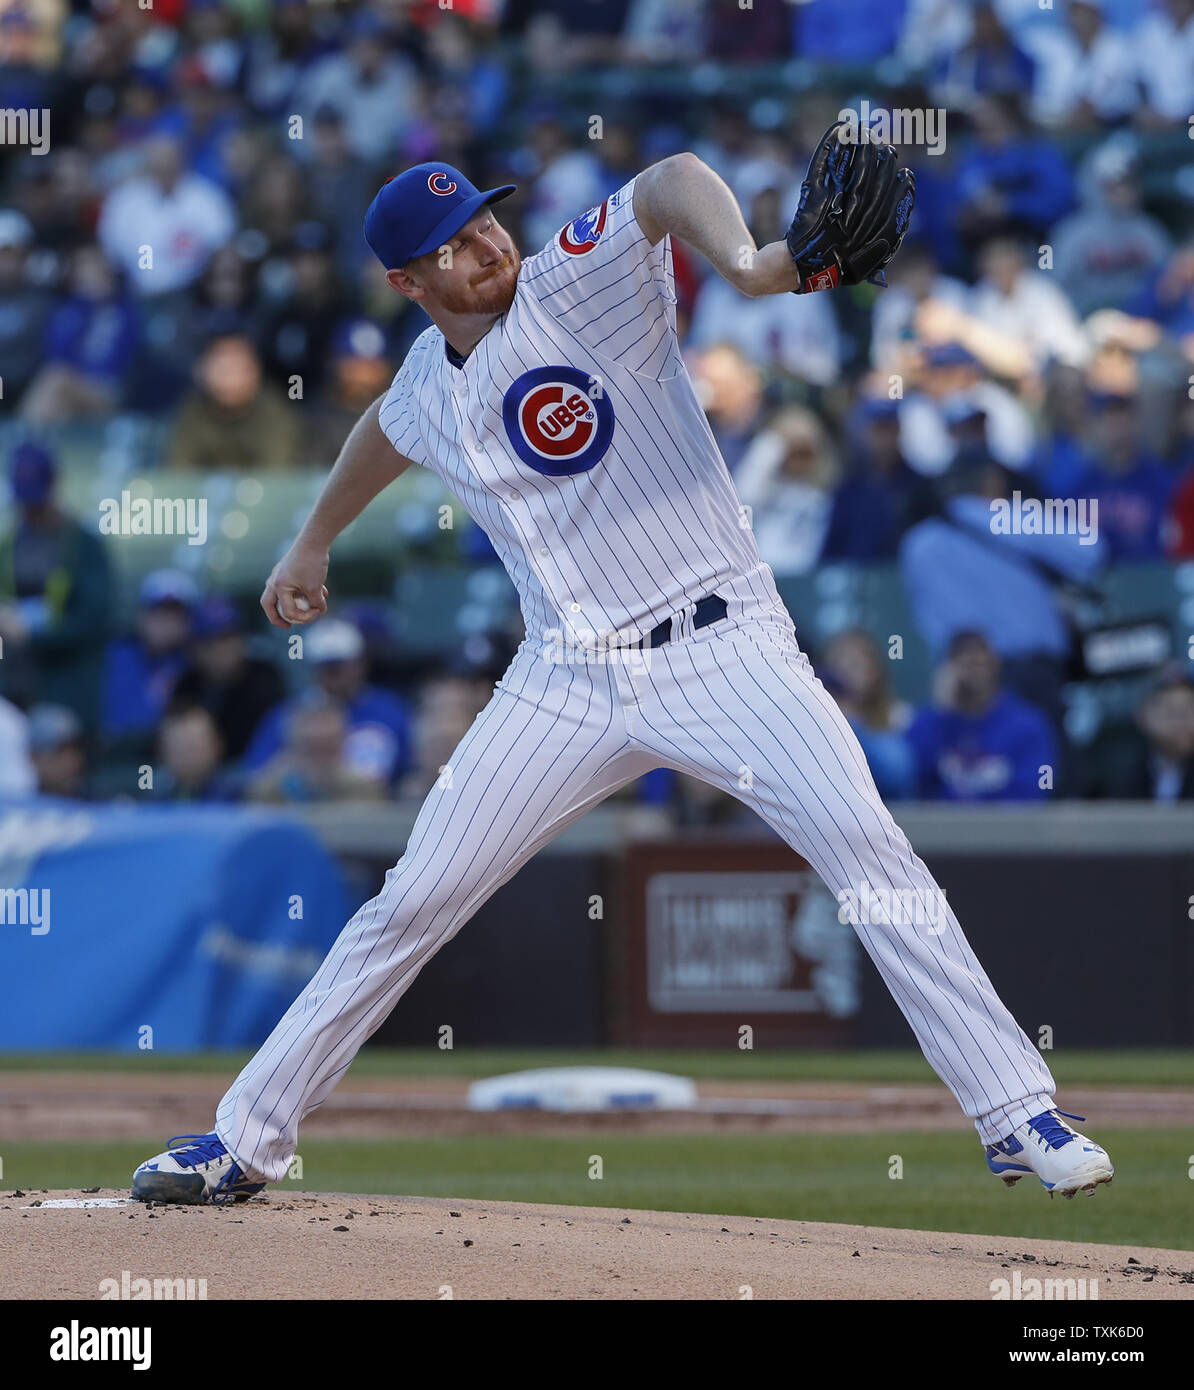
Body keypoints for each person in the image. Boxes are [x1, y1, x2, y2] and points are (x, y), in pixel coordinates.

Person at [132, 146, 1112, 1207]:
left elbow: (671, 180)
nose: (484, 245)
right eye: (450, 246)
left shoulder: (570, 281)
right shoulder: (424, 381)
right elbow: (386, 425)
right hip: (563, 676)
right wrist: (313, 538)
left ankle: (1018, 1112)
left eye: (482, 220)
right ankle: (244, 1140)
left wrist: (749, 262)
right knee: (411, 900)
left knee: (872, 855)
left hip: (722, 645)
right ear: (407, 285)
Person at [0, 443, 112, 727]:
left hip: (68, 681)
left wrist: (31, 633)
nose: (31, 509)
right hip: (14, 680)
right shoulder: (10, 543)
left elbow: (93, 621)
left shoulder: (83, 545)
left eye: (36, 500)